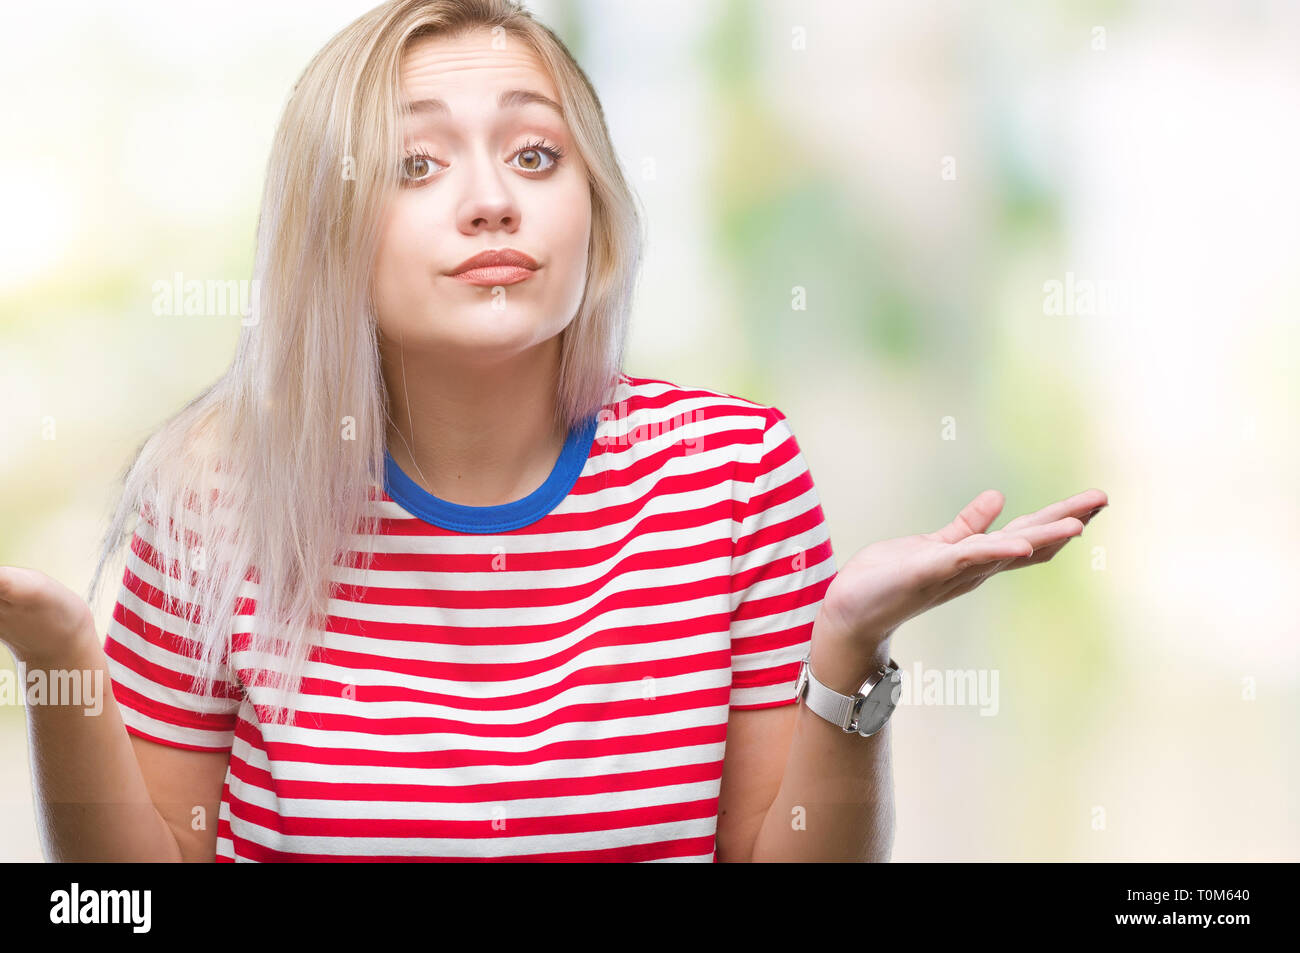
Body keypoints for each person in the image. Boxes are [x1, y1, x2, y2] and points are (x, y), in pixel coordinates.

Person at [0, 0, 1106, 863]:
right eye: (415, 164)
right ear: (324, 228)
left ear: (598, 210)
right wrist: (58, 660)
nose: (491, 201)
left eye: (535, 155)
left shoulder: (730, 474)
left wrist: (848, 650)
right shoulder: (214, 496)